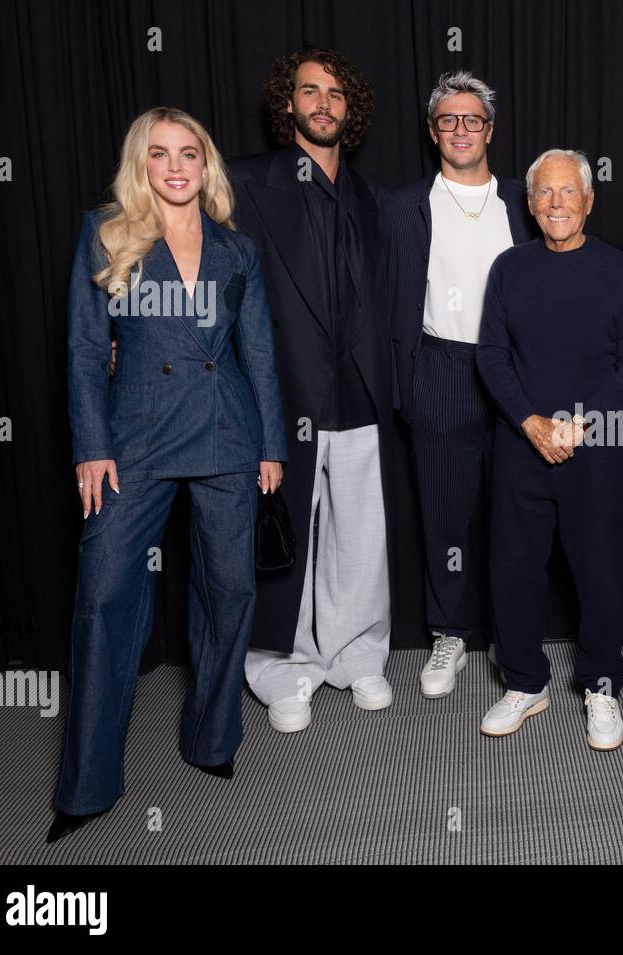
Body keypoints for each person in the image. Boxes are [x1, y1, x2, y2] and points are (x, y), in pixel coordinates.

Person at [52, 107, 287, 843]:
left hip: (226, 432)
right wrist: (91, 446)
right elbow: (87, 353)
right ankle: (87, 784)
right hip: (136, 440)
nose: (177, 166)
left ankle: (212, 739)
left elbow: (261, 355)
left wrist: (272, 446)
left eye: (190, 152)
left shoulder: (236, 249)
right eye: (161, 154)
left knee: (230, 589)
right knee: (105, 595)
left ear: (205, 163)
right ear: (141, 164)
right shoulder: (107, 233)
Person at [232, 48, 398, 732]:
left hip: (360, 390)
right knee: (289, 532)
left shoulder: (373, 199)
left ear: (349, 109)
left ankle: (358, 656)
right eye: (310, 91)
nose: (323, 102)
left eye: (335, 93)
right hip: (284, 393)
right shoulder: (246, 184)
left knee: (360, 534)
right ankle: (284, 670)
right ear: (288, 104)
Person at [476, 149, 623, 751]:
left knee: (600, 572)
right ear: (530, 204)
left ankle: (601, 684)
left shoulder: (622, 272)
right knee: (513, 570)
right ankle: (525, 682)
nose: (555, 204)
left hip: (595, 447)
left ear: (589, 200)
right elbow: (491, 355)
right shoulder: (508, 268)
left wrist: (578, 424)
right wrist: (529, 422)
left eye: (567, 192)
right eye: (544, 194)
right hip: (522, 443)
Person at [384, 71, 537, 698]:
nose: (461, 129)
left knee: (516, 511)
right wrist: (406, 384)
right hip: (442, 367)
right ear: (433, 131)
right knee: (444, 512)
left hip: (514, 372)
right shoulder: (407, 206)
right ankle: (448, 632)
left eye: (472, 119)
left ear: (490, 130)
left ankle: (511, 632)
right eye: (449, 120)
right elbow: (390, 301)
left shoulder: (524, 202)